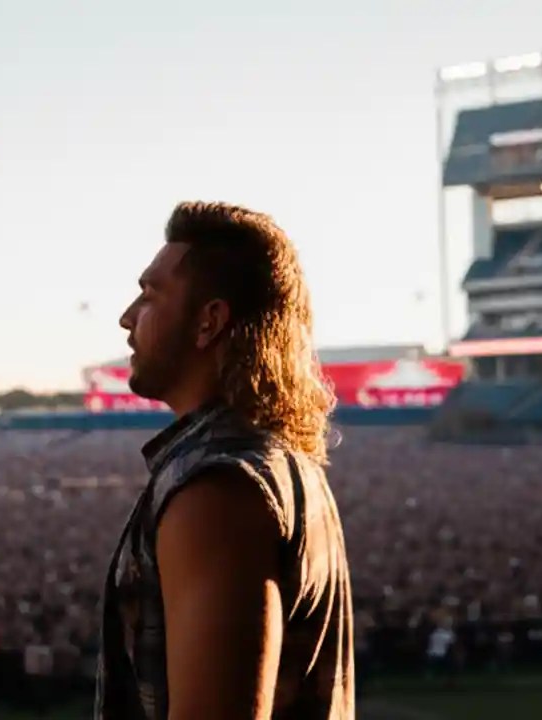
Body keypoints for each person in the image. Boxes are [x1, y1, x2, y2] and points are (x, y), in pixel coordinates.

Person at [96, 201, 355, 719]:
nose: (126, 317)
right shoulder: (271, 462)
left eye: (150, 294)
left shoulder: (218, 489)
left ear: (209, 321)